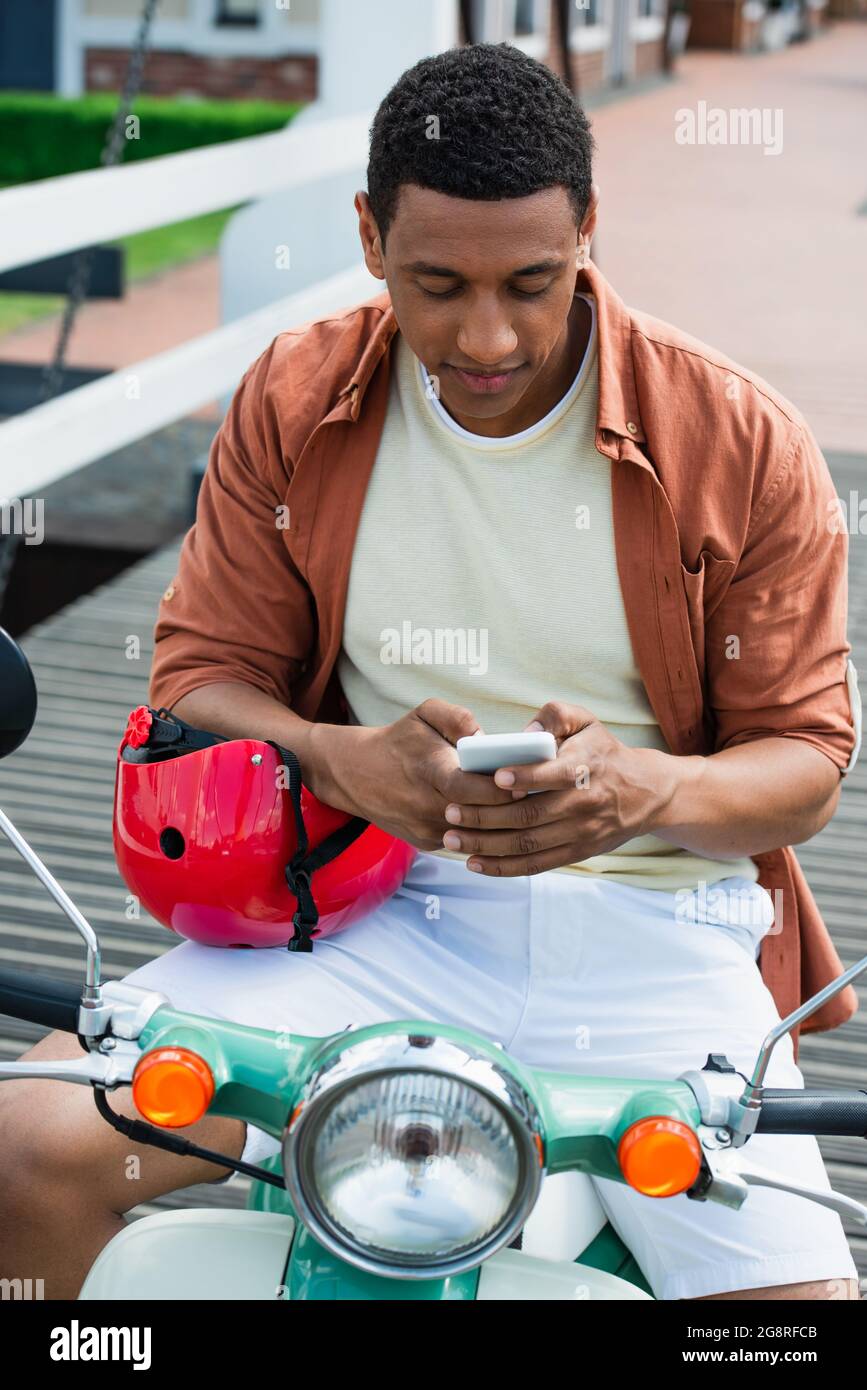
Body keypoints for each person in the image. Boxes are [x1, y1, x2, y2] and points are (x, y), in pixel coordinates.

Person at [0, 43, 860, 1302]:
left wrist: (644, 791)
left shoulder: (739, 435)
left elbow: (807, 765)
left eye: (534, 280)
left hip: (658, 929)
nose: (488, 336)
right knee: (30, 1149)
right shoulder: (294, 398)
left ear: (589, 231)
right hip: (368, 903)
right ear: (366, 236)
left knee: (785, 1325)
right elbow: (196, 677)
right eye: (436, 284)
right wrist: (339, 757)